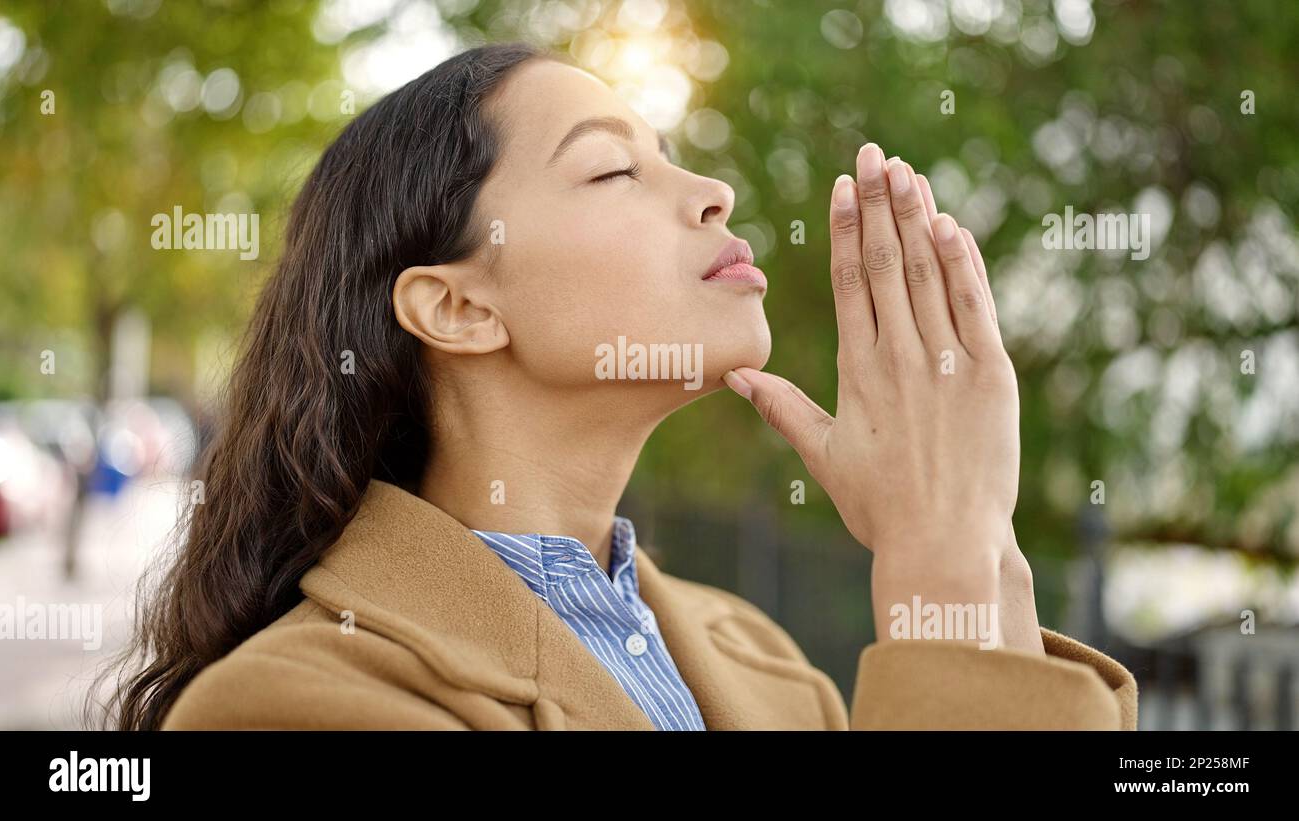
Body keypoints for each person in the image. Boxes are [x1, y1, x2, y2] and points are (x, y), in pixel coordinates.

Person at [95, 42, 1136, 730]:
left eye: (671, 156)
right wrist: (934, 559)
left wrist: (971, 531)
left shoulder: (757, 657)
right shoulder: (294, 705)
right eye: (610, 170)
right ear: (458, 307)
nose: (713, 193)